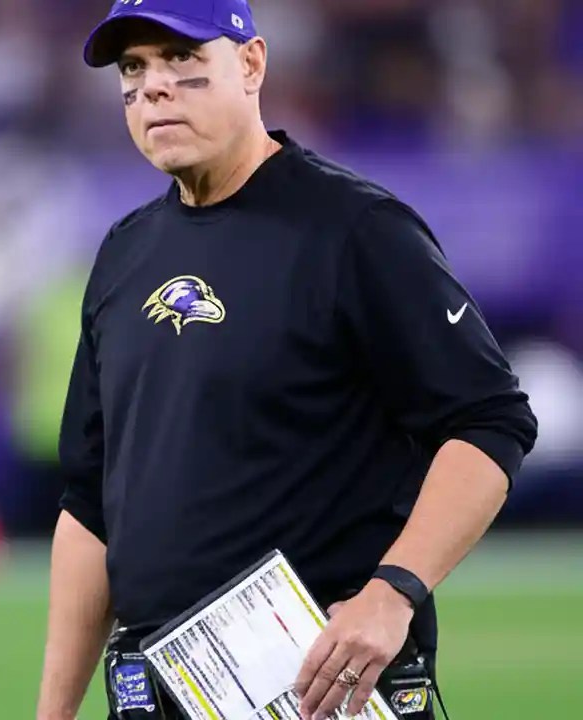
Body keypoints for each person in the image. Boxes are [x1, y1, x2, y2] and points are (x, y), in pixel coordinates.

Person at [34, 2, 538, 719]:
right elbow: (89, 507)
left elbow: (489, 422)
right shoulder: (125, 253)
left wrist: (393, 592)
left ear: (251, 63)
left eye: (181, 59)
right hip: (156, 692)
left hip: (321, 688)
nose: (153, 87)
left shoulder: (354, 229)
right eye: (134, 68)